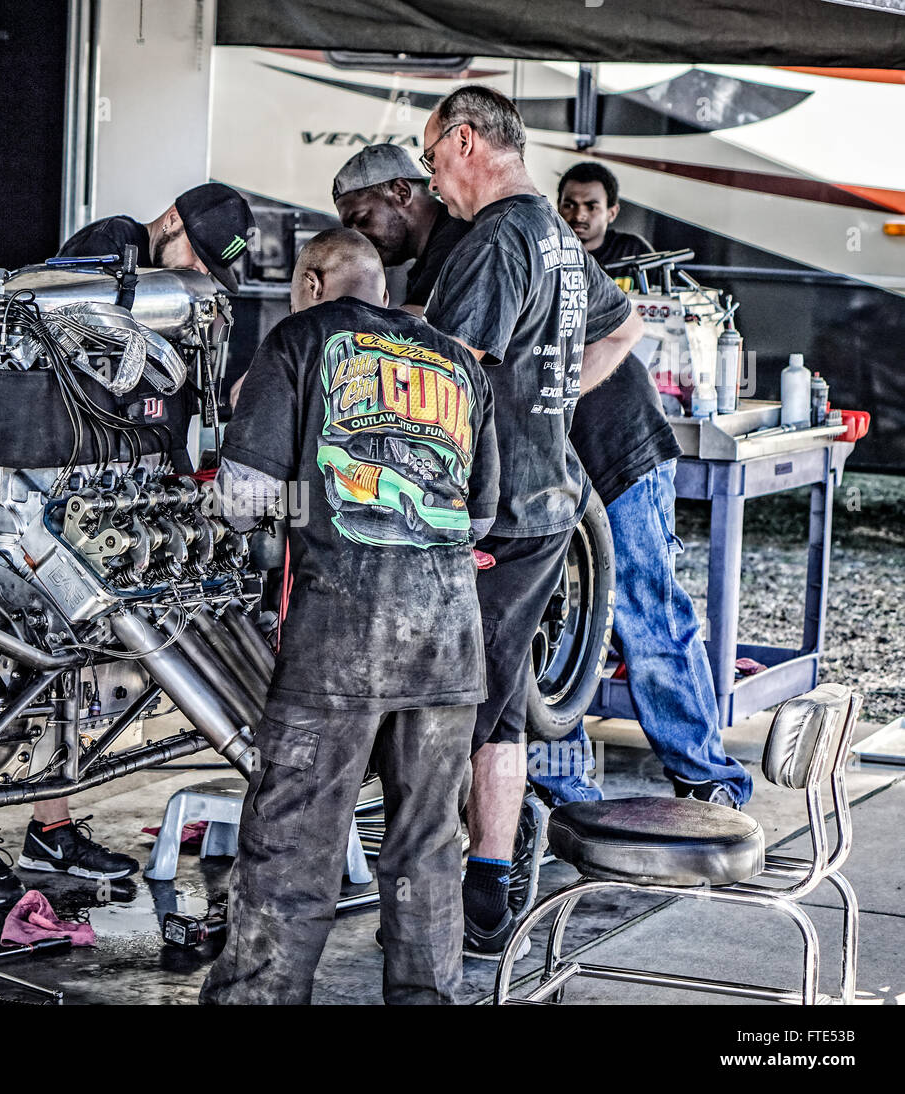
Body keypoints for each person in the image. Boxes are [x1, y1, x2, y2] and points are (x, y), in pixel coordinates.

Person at [200, 229, 500, 1004]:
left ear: (310, 280)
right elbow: (477, 516)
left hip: (340, 645)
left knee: (293, 848)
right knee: (429, 848)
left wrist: (311, 499)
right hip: (448, 648)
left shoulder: (301, 337)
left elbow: (243, 501)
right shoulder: (460, 362)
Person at [0, 186, 255, 906]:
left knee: (67, 667)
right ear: (172, 221)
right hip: (5, 495)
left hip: (76, 497)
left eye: (213, 272)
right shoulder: (109, 250)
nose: (200, 279)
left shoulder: (163, 292)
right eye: (197, 259)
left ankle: (54, 828)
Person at [419, 85, 643, 958]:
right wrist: (546, 402)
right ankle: (487, 894)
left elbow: (442, 385)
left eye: (435, 157)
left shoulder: (496, 240)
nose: (435, 179)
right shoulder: (556, 234)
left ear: (466, 140)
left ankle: (444, 888)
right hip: (546, 504)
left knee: (448, 708)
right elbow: (622, 332)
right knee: (503, 711)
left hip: (491, 519)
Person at [530, 166, 753, 810]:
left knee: (644, 610)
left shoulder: (576, 251)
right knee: (555, 625)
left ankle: (708, 779)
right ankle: (564, 788)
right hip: (557, 472)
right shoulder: (475, 248)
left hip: (621, 451)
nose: (576, 215)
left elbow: (625, 326)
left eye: (588, 206)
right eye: (567, 204)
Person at [332, 144, 471, 314]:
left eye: (362, 219)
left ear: (401, 192)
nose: (357, 238)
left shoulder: (457, 242)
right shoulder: (434, 252)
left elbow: (413, 328)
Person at [55, 182, 256, 293]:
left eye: (210, 268)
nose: (199, 270)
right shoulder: (111, 242)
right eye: (196, 252)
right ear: (173, 220)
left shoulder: (168, 282)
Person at [557, 162, 652, 267]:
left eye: (591, 207)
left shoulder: (633, 251)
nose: (578, 216)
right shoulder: (544, 252)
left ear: (612, 213)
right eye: (569, 206)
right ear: (558, 207)